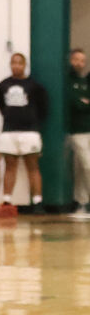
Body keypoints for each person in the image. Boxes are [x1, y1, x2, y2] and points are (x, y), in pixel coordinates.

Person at [0, 52, 48, 213]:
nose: (16, 66)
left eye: (19, 63)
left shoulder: (34, 85)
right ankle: (7, 200)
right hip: (9, 130)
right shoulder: (3, 85)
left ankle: (37, 201)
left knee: (32, 166)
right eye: (13, 63)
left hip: (29, 131)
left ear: (25, 65)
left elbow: (43, 108)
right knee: (10, 166)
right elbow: (1, 106)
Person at [69, 48, 90, 219]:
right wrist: (83, 103)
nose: (79, 63)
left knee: (83, 168)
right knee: (86, 166)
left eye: (82, 60)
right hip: (77, 131)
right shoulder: (67, 81)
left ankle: (82, 203)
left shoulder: (86, 81)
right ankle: (83, 202)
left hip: (88, 129)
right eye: (76, 59)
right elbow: (76, 104)